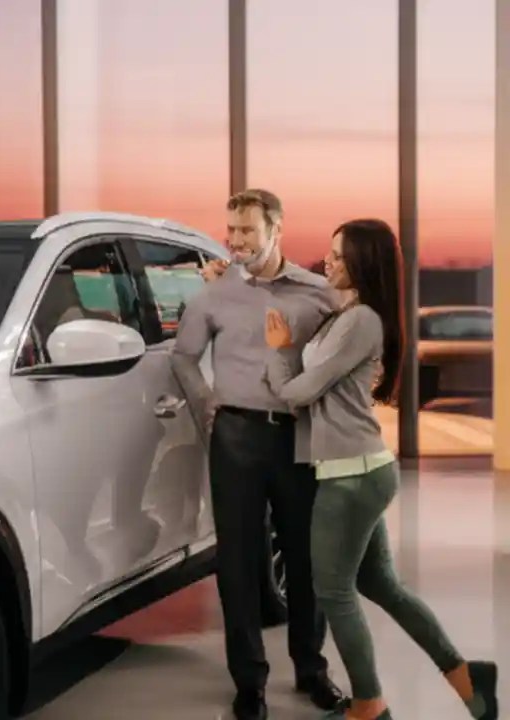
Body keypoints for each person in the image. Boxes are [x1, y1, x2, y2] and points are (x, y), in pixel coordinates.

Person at [263, 219, 498, 720]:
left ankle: (368, 704)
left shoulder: (361, 320)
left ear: (365, 265)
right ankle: (467, 677)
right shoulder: (345, 313)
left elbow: (299, 394)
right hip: (358, 469)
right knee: (382, 585)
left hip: (350, 477)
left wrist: (280, 353)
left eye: (341, 256)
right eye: (330, 252)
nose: (329, 262)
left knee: (334, 591)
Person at [173, 188, 346, 719]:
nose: (237, 240)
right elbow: (184, 357)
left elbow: (342, 361)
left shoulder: (318, 294)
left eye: (248, 230)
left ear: (276, 228)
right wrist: (208, 412)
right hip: (236, 439)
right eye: (232, 230)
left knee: (306, 559)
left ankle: (311, 671)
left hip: (299, 439)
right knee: (239, 564)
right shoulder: (213, 295)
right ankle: (249, 683)